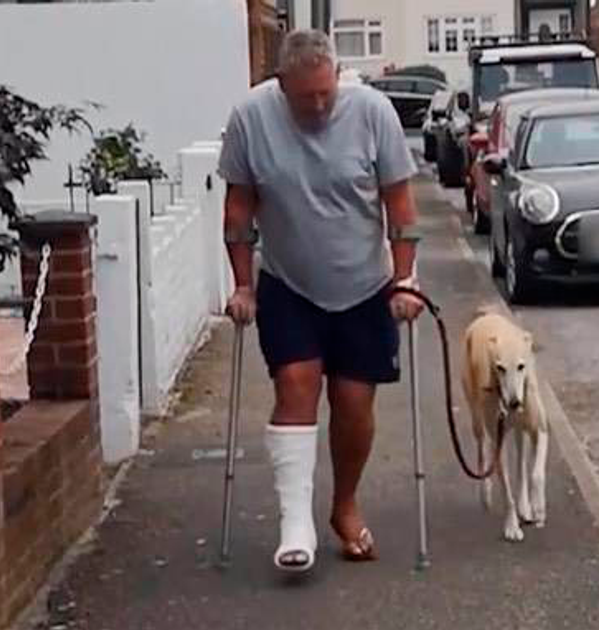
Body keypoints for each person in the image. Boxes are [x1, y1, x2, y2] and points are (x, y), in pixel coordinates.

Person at [218, 29, 424, 574]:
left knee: (354, 405)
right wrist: (242, 285)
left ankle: (344, 505)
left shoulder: (373, 113)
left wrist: (405, 280)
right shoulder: (250, 119)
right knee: (295, 384)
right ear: (280, 83)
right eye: (304, 95)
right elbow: (238, 210)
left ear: (337, 78)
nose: (316, 105)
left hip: (363, 283)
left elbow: (400, 207)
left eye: (325, 93)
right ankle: (295, 525)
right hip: (289, 282)